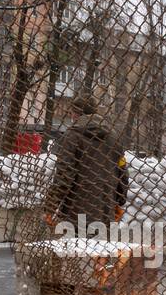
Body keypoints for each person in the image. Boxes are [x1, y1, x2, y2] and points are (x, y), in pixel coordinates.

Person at [43, 95, 128, 230]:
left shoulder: (72, 136)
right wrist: (119, 201)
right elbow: (122, 171)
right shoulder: (113, 136)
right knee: (101, 249)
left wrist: (50, 208)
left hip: (75, 213)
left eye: (71, 113)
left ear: (76, 114)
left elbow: (64, 176)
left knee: (75, 249)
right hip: (105, 211)